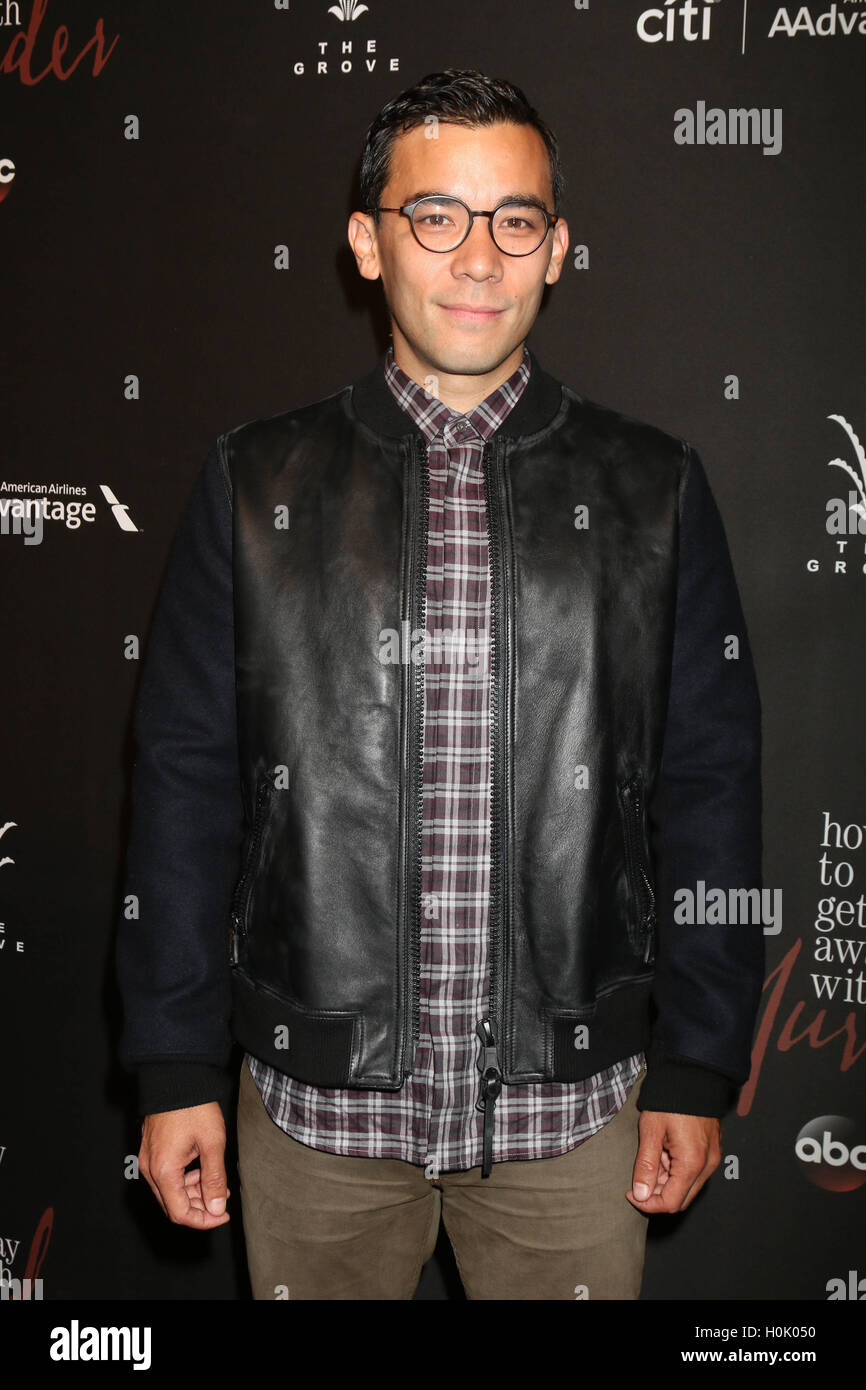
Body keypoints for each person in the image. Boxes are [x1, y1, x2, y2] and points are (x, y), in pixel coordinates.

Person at [116, 69, 763, 1301]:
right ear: (368, 242)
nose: (477, 257)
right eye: (436, 217)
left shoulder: (653, 489)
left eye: (513, 219)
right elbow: (186, 785)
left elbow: (709, 791)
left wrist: (696, 1061)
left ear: (557, 249)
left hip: (570, 1120)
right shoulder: (255, 485)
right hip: (317, 1115)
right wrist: (172, 1062)